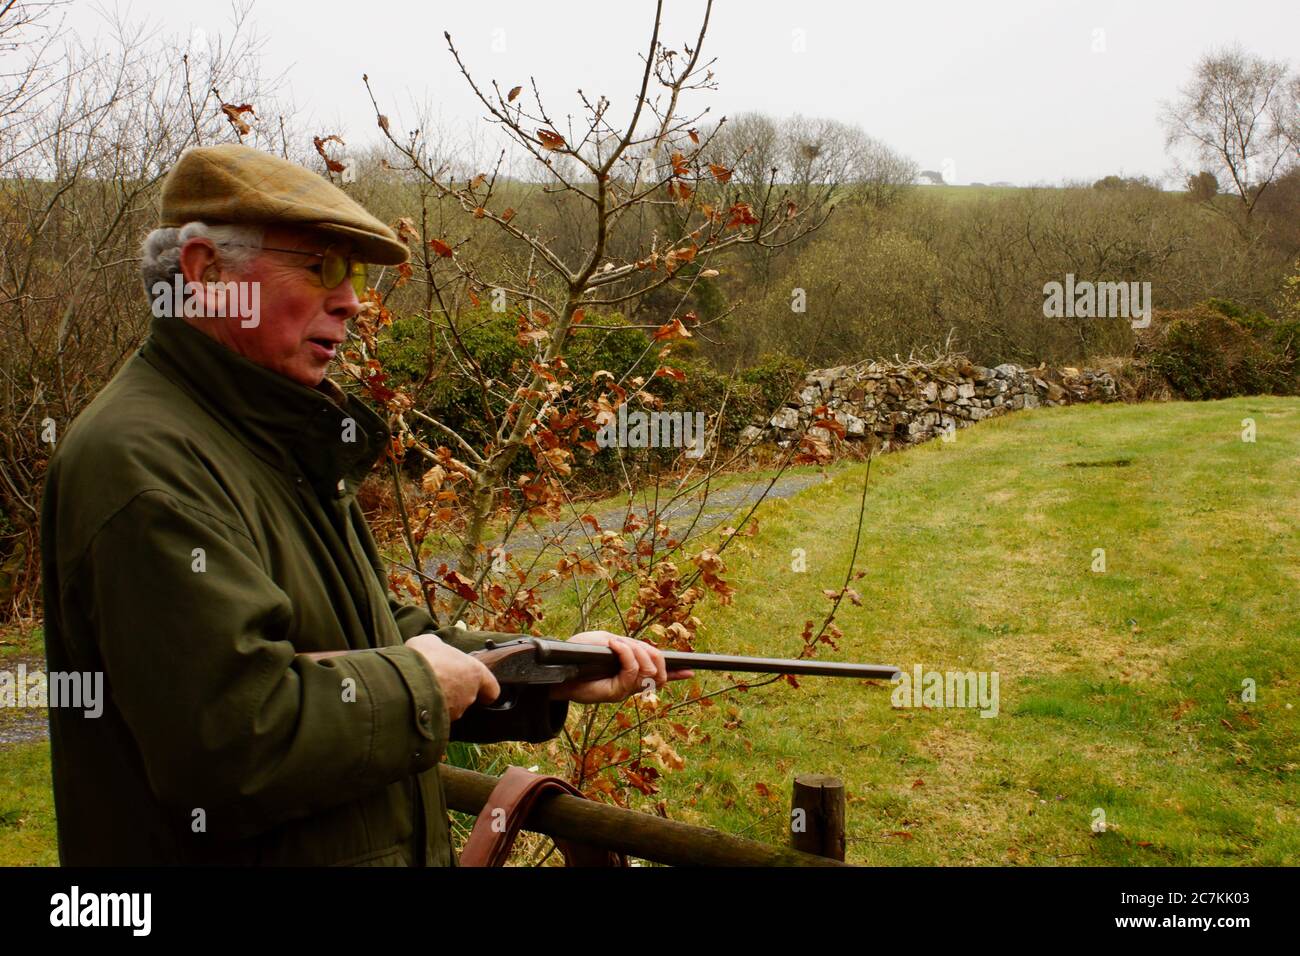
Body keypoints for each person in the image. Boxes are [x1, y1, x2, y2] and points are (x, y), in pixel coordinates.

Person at [40, 143, 687, 865]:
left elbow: (370, 636)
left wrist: (555, 667)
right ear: (207, 273)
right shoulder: (143, 462)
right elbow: (230, 741)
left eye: (351, 274)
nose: (351, 299)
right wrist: (420, 686)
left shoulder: (271, 435)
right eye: (321, 267)